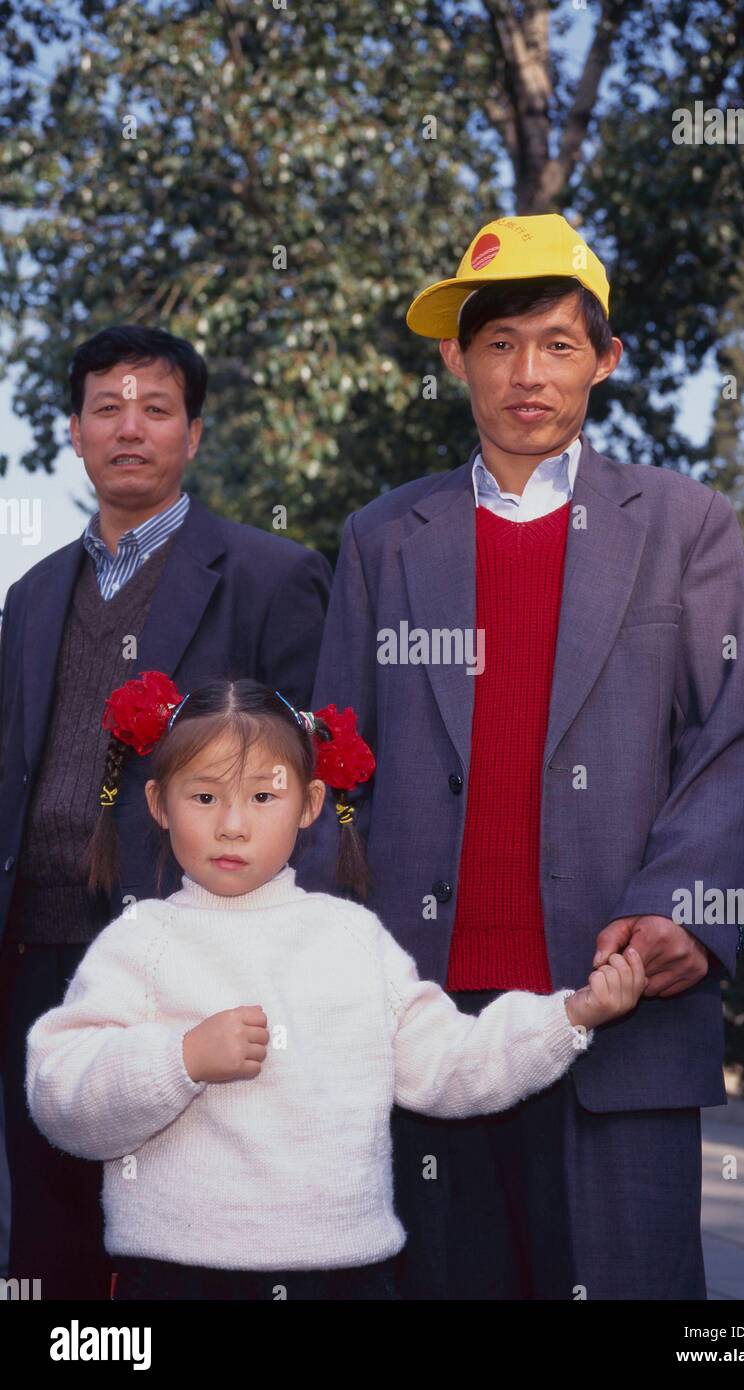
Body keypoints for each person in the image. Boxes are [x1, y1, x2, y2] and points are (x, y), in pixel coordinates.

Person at [294, 213, 744, 1299]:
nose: (528, 373)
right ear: (455, 356)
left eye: (559, 343)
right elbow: (335, 762)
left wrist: (688, 909)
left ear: (605, 359)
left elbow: (728, 736)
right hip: (424, 1017)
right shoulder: (383, 535)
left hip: (618, 1004)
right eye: (499, 343)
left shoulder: (687, 526)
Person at [24, 671, 644, 1301]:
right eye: (204, 798)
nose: (233, 825)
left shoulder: (352, 939)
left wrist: (573, 1014)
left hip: (344, 1278)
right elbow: (59, 1096)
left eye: (264, 797)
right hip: (176, 1277)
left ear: (310, 804)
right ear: (158, 804)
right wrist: (179, 1058)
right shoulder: (141, 941)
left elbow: (451, 1063)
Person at [0, 324, 331, 1298]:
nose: (129, 428)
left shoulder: (272, 576)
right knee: (49, 1224)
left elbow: (322, 779)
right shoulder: (27, 599)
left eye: (155, 408)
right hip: (40, 960)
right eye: (107, 407)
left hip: (189, 964)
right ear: (74, 431)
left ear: (193, 432)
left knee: (180, 1234)